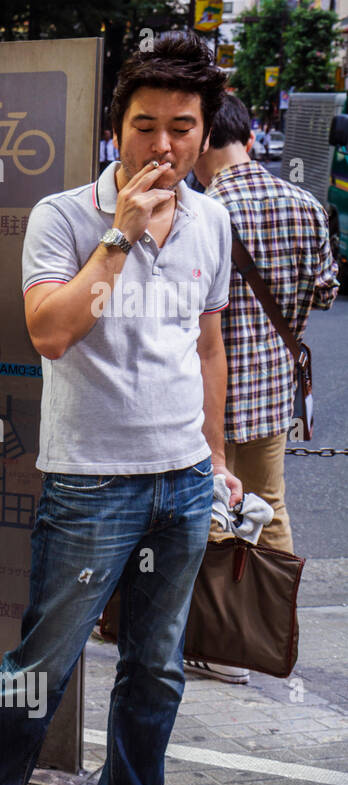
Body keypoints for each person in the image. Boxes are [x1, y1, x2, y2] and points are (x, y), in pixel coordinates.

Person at [0, 32, 241, 785]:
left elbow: (207, 347)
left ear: (203, 129)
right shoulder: (64, 216)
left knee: (157, 668)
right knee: (44, 658)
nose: (162, 144)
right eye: (144, 125)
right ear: (116, 127)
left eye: (181, 127)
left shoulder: (212, 222)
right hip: (90, 482)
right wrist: (118, 235)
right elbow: (51, 331)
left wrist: (215, 460)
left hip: (182, 481)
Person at [188, 94, 339, 683]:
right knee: (269, 507)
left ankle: (216, 641)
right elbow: (326, 290)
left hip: (204, 394)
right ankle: (266, 629)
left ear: (203, 141)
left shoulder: (200, 212)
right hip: (273, 388)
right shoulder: (303, 202)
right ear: (248, 138)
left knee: (200, 510)